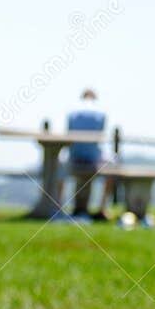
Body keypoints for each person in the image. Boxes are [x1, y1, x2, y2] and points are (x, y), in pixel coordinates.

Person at [66, 89, 107, 220]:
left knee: (56, 167)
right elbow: (101, 135)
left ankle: (57, 207)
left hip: (74, 158)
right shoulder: (100, 114)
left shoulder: (72, 113)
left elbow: (68, 135)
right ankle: (102, 209)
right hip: (93, 160)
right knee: (114, 165)